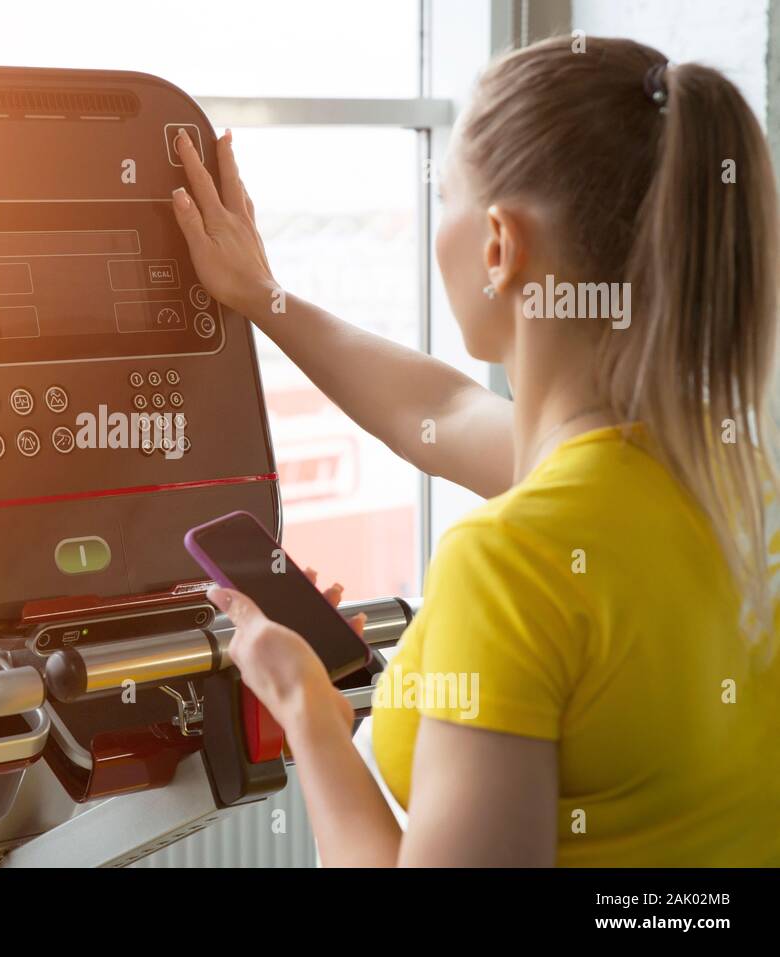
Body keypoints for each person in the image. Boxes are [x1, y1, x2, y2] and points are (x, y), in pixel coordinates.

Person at [170, 35, 780, 866]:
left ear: (499, 244)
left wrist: (305, 704)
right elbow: (441, 409)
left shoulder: (511, 563)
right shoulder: (724, 485)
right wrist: (262, 297)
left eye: (445, 193)